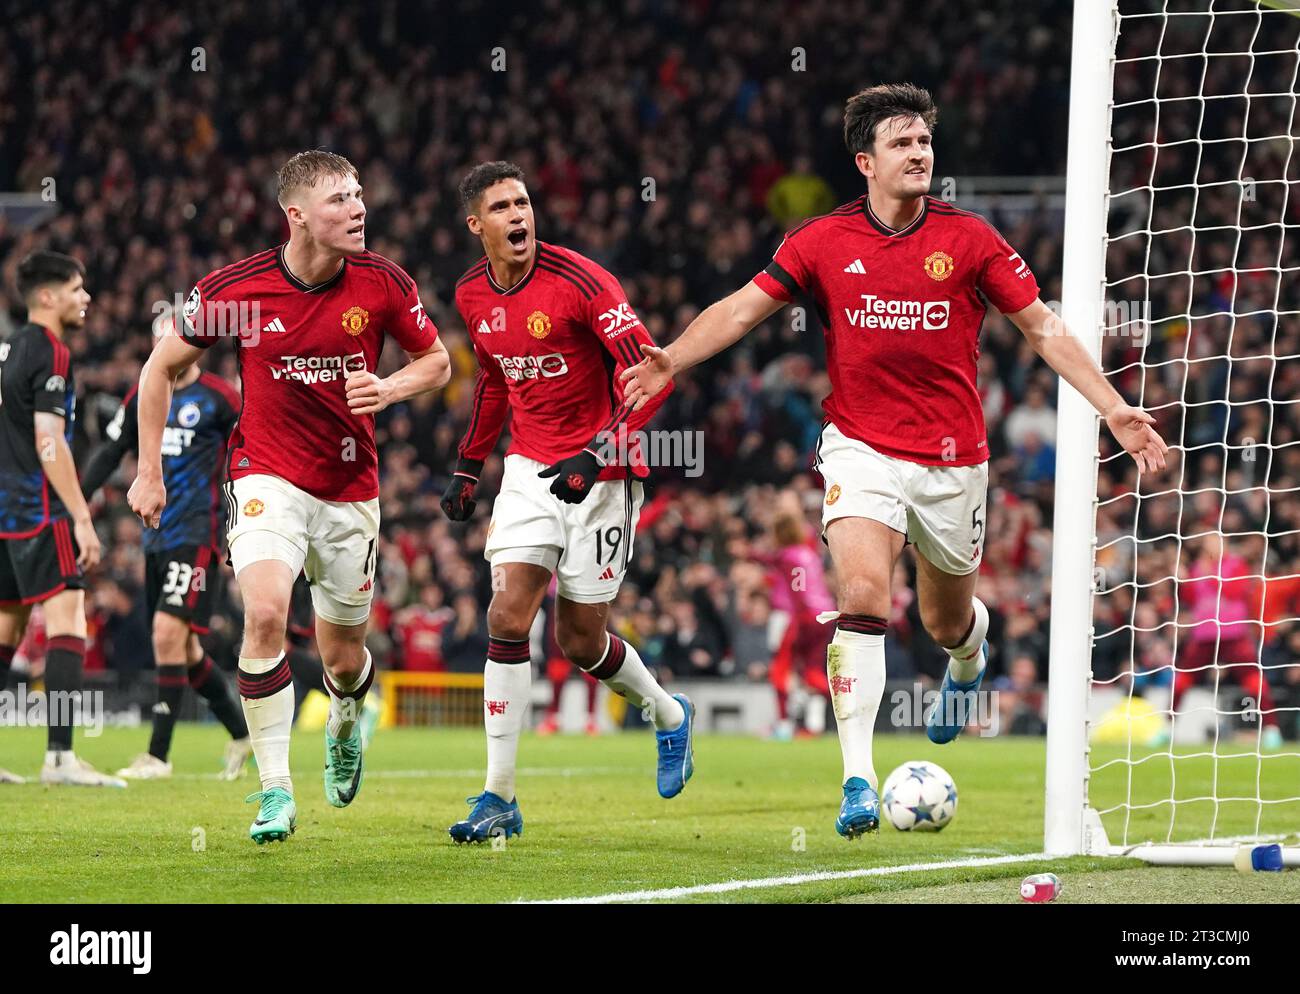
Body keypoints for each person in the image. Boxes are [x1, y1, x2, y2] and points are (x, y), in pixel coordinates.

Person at [623, 83, 1169, 838]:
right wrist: (671, 361)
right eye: (903, 145)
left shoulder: (970, 238)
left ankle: (969, 661)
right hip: (860, 445)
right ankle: (856, 778)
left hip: (954, 462)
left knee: (946, 621)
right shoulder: (821, 241)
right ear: (865, 163)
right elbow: (743, 307)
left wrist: (1112, 406)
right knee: (864, 595)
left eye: (925, 142)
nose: (920, 155)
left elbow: (1043, 329)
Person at [128, 150, 451, 843]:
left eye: (360, 194)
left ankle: (343, 719)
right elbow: (159, 369)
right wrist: (147, 469)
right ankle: (275, 789)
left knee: (343, 660)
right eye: (339, 199)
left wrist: (389, 388)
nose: (358, 208)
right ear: (297, 214)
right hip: (265, 475)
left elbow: (439, 361)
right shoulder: (236, 290)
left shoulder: (384, 282)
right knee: (266, 614)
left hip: (349, 488)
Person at [440, 161, 693, 843]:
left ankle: (668, 714)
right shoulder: (470, 293)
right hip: (527, 468)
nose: (518, 216)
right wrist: (469, 466)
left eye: (523, 202)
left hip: (603, 473)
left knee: (579, 638)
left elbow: (653, 378)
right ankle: (499, 796)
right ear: (477, 225)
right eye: (501, 207)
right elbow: (494, 380)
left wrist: (599, 453)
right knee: (506, 613)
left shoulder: (583, 282)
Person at [81, 310, 252, 780]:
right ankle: (242, 734)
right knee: (185, 650)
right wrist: (76, 501)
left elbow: (252, 451)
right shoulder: (143, 393)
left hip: (198, 534)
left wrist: (243, 526)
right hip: (154, 535)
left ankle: (157, 755)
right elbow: (112, 451)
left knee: (166, 635)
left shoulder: (220, 398)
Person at [0, 251, 119, 787]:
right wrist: (81, 517)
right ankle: (60, 758)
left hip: (3, 513)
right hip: (39, 511)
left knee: (7, 624)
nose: (85, 297)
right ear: (47, 297)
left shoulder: (6, 351)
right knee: (68, 619)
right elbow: (50, 442)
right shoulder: (50, 350)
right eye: (77, 288)